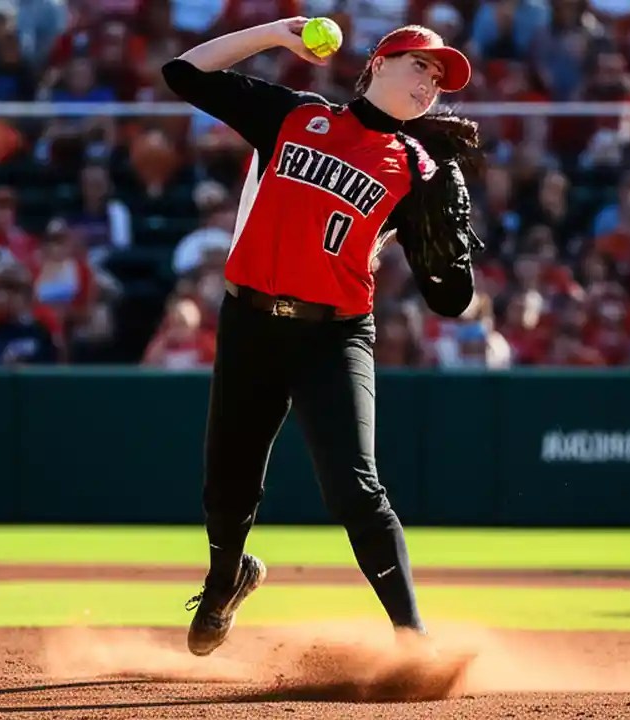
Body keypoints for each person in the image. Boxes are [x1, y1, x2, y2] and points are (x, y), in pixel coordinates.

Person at [162, 20, 483, 656]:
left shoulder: (419, 169)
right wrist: (278, 36)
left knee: (355, 486)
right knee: (228, 483)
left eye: (440, 79)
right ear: (380, 62)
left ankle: (413, 640)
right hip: (249, 321)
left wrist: (452, 257)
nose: (431, 85)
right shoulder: (296, 116)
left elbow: (450, 299)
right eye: (421, 66)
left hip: (333, 337)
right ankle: (226, 580)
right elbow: (183, 73)